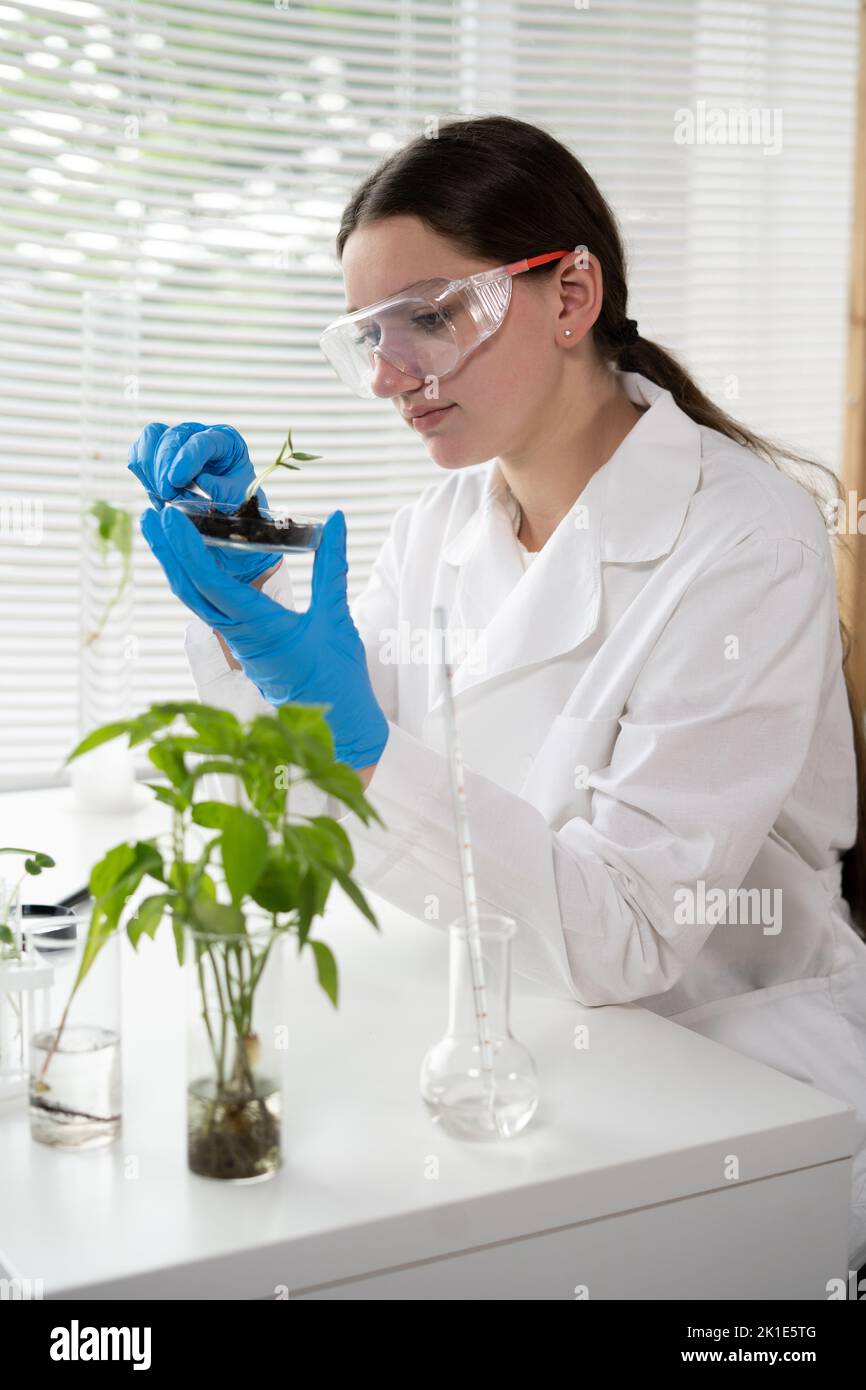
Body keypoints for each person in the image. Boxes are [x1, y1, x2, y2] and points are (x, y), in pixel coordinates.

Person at [128, 115, 866, 1279]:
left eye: (429, 317)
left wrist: (359, 740)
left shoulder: (746, 543)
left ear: (569, 294)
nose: (387, 377)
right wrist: (241, 602)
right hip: (506, 1034)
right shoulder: (441, 527)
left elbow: (624, 935)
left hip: (727, 1066)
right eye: (368, 335)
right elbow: (318, 812)